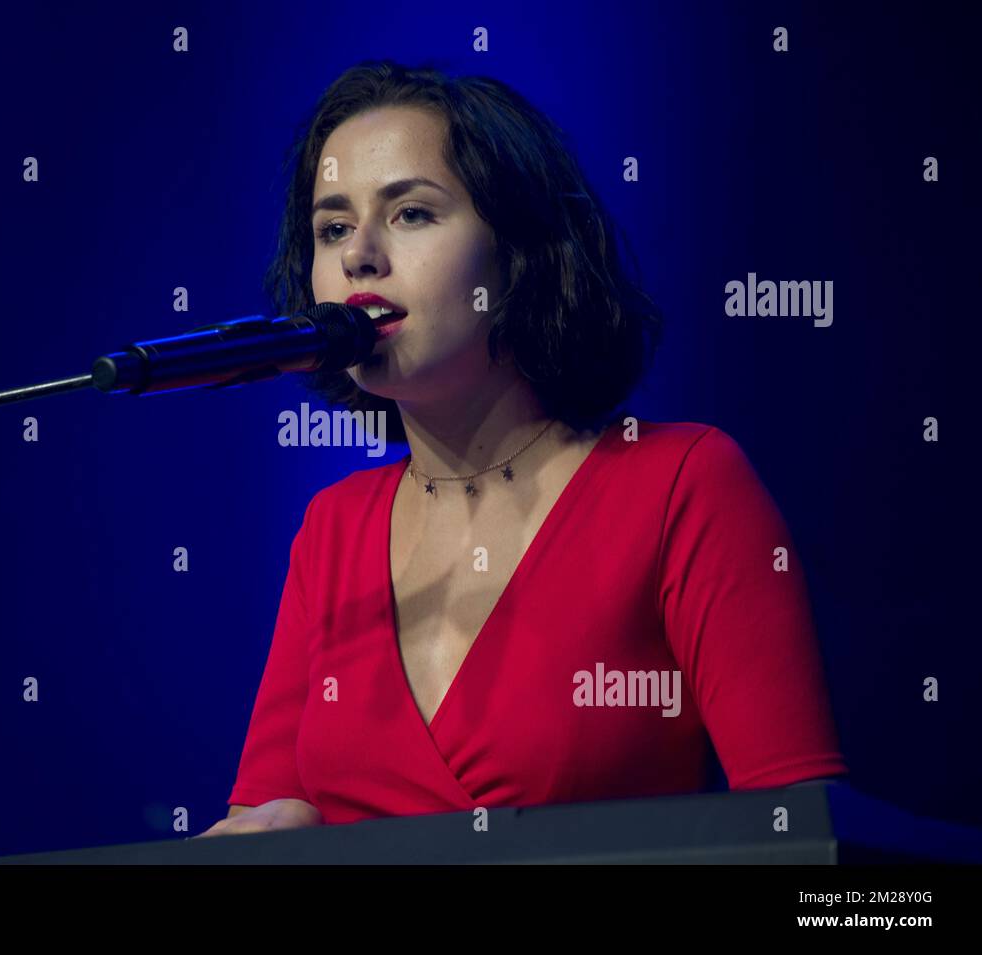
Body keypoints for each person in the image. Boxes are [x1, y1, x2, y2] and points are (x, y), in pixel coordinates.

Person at [198, 61, 847, 838]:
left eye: (410, 213)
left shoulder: (681, 483)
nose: (357, 256)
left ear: (518, 251)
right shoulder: (330, 530)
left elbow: (805, 840)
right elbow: (264, 825)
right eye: (332, 228)